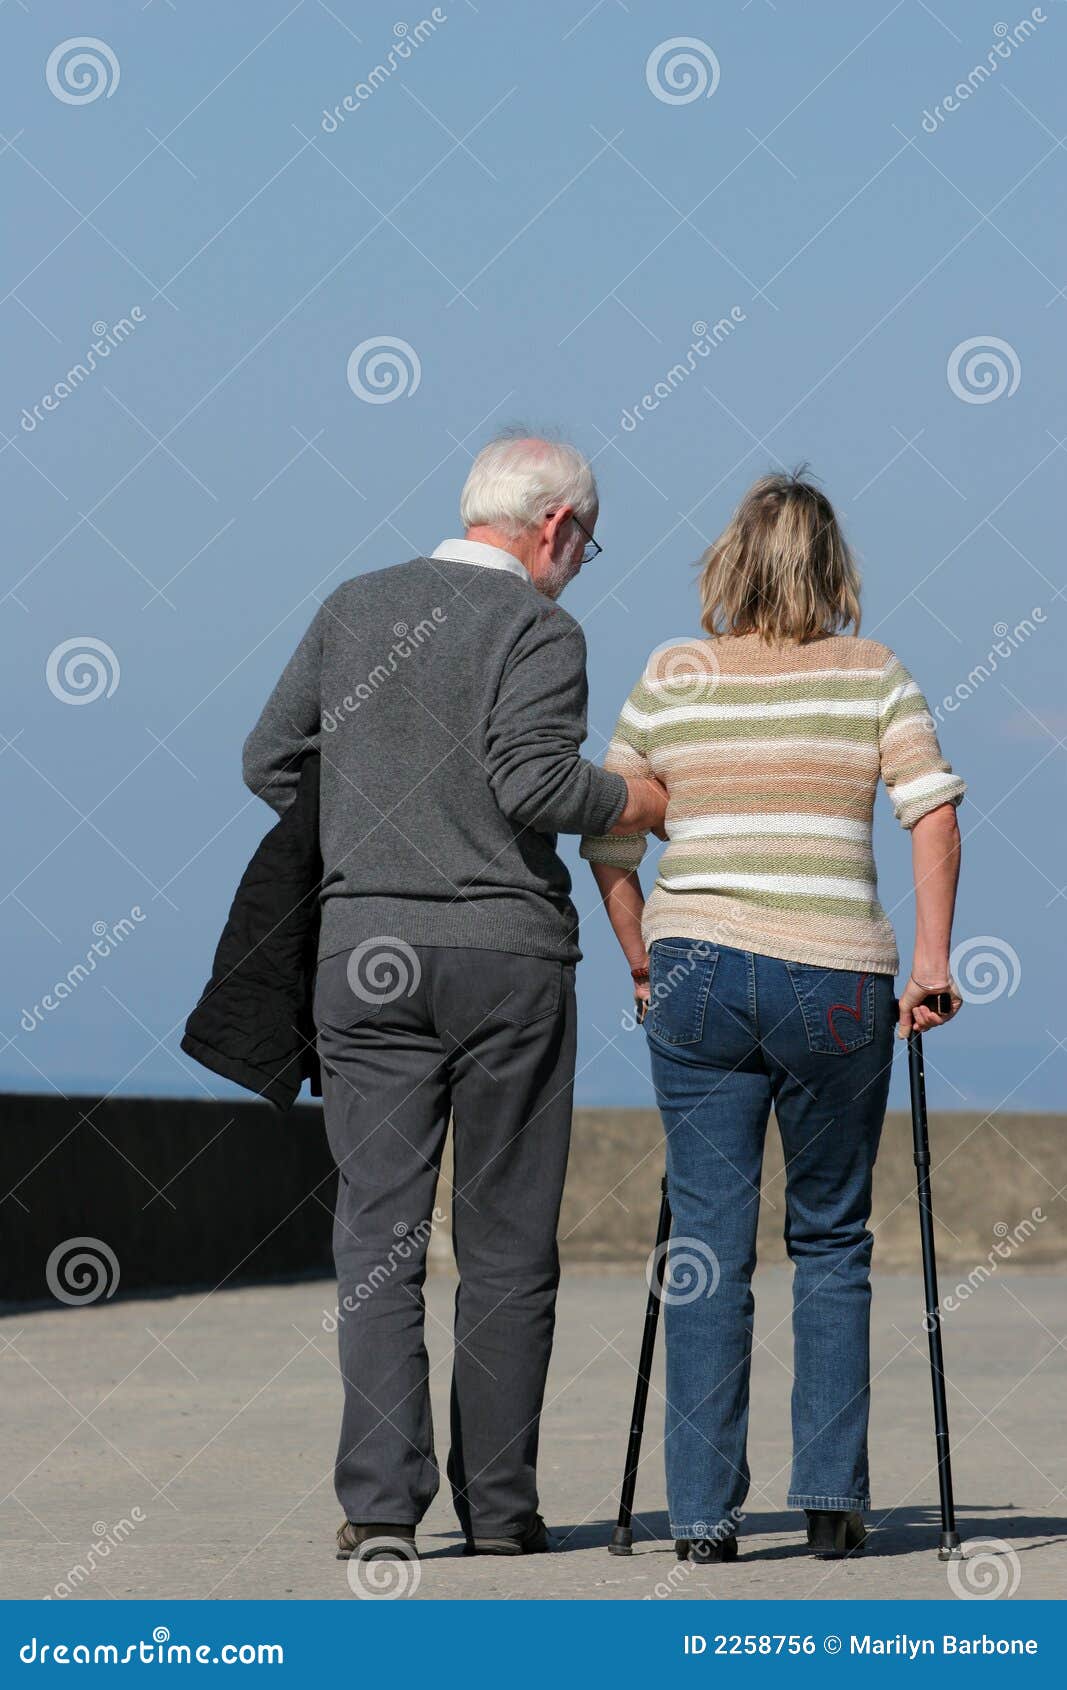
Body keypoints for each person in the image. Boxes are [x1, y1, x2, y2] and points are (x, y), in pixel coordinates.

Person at [242, 432, 667, 1563]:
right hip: (504, 961)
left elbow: (268, 759)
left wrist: (373, 826)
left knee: (375, 1233)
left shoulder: (354, 604)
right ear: (554, 529)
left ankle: (380, 1506)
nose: (579, 564)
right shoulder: (538, 627)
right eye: (585, 544)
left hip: (364, 950)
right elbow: (533, 780)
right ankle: (499, 1508)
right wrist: (638, 791)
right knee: (506, 1243)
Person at [581, 471, 964, 1565]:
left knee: (704, 1242)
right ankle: (832, 1500)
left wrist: (642, 962)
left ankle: (700, 1518)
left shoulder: (672, 672)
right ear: (831, 567)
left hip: (695, 972)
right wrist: (928, 960)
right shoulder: (871, 673)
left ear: (728, 560)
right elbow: (929, 811)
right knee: (831, 1236)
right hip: (836, 976)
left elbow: (607, 833)